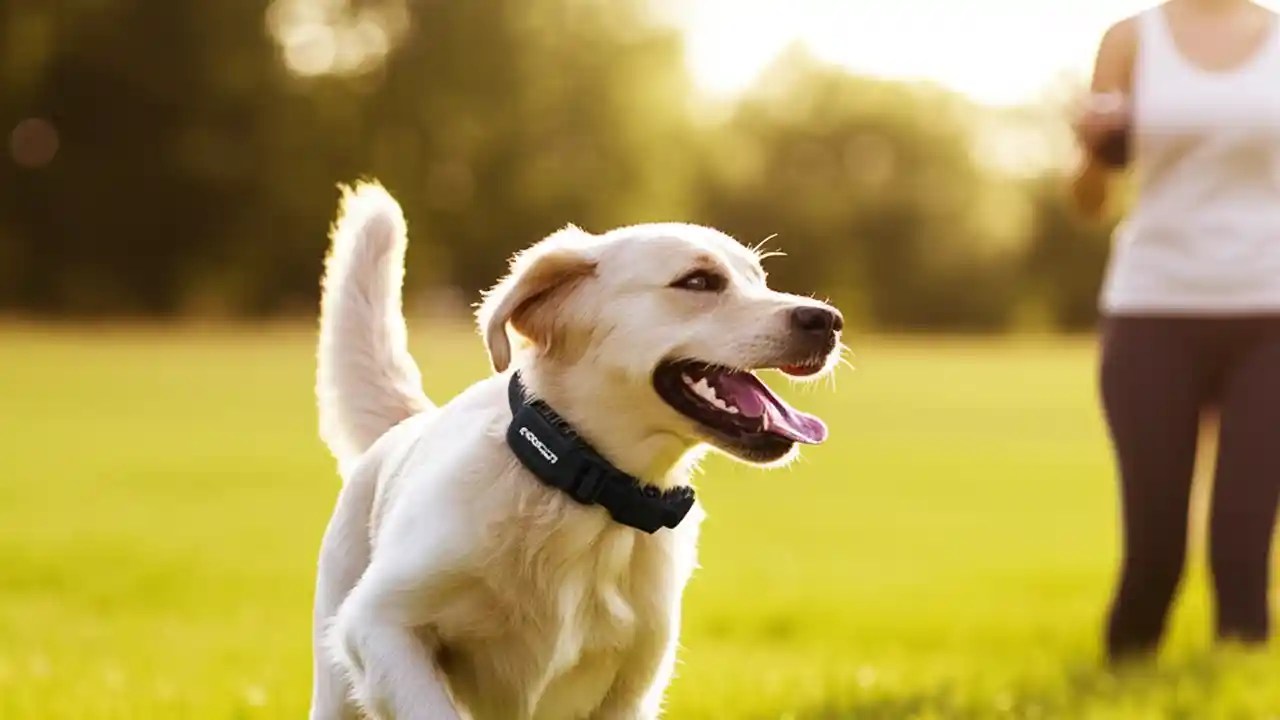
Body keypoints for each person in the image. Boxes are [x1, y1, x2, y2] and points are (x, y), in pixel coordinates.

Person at [1072, 0, 1280, 662]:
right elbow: (1088, 200)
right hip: (1153, 308)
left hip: (1270, 313)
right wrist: (1092, 147)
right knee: (1154, 552)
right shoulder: (1130, 38)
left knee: (1244, 551)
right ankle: (1123, 686)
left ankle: (1238, 693)